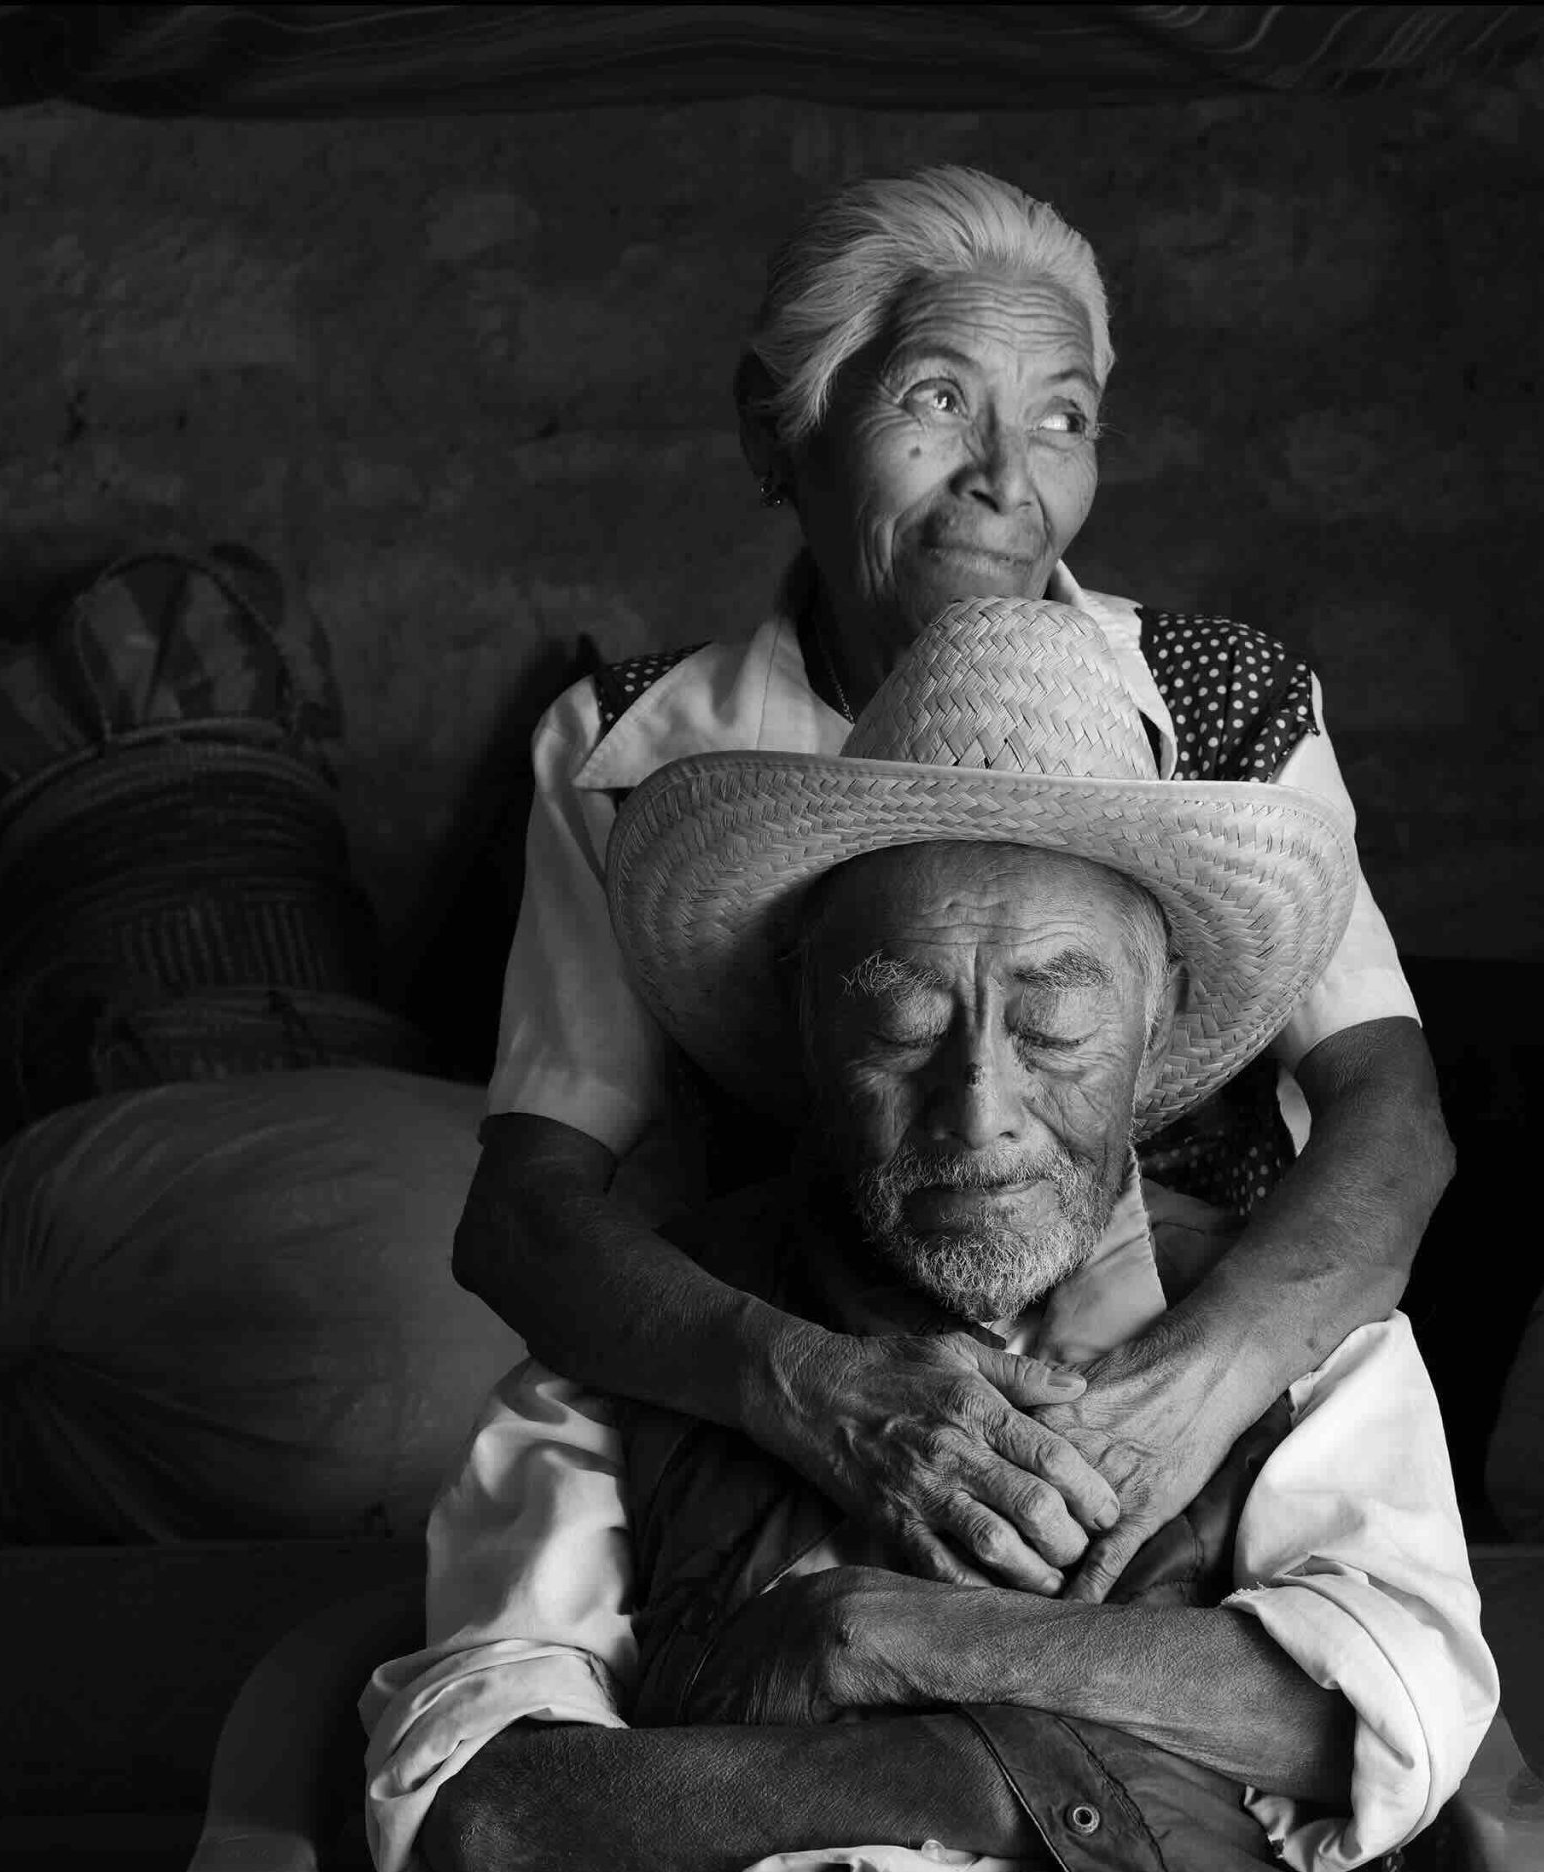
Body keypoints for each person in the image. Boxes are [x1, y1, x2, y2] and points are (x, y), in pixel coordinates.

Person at [369, 600, 1496, 1872]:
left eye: (1058, 1021)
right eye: (902, 1018)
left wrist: (888, 1636)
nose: (980, 1107)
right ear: (800, 1014)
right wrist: (960, 1777)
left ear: (1161, 1014)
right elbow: (499, 1826)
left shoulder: (1308, 1339)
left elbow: (1368, 1714)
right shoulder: (639, 1349)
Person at [458, 163, 1457, 1604]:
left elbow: (1393, 1118)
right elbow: (527, 1207)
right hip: (793, 1436)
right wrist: (809, 1388)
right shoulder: (633, 751)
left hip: (1187, 1432)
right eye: (936, 400)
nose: (1008, 476)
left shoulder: (1225, 708)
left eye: (1062, 417)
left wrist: (1188, 1387)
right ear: (776, 426)